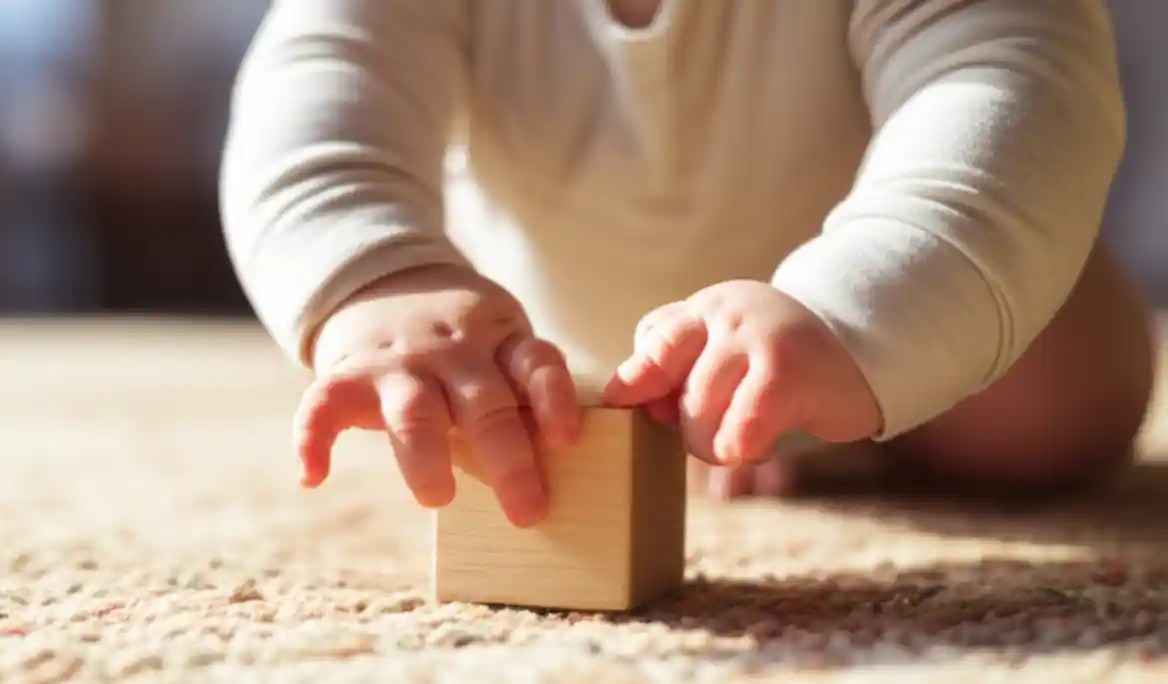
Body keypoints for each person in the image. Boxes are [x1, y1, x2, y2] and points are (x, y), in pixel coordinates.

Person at [221, 0, 1155, 527]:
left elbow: (1009, 84)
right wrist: (383, 282)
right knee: (532, 429)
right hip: (580, 350)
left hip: (906, 281)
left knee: (1057, 410)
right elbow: (316, 95)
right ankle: (759, 425)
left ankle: (855, 397)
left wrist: (853, 307)